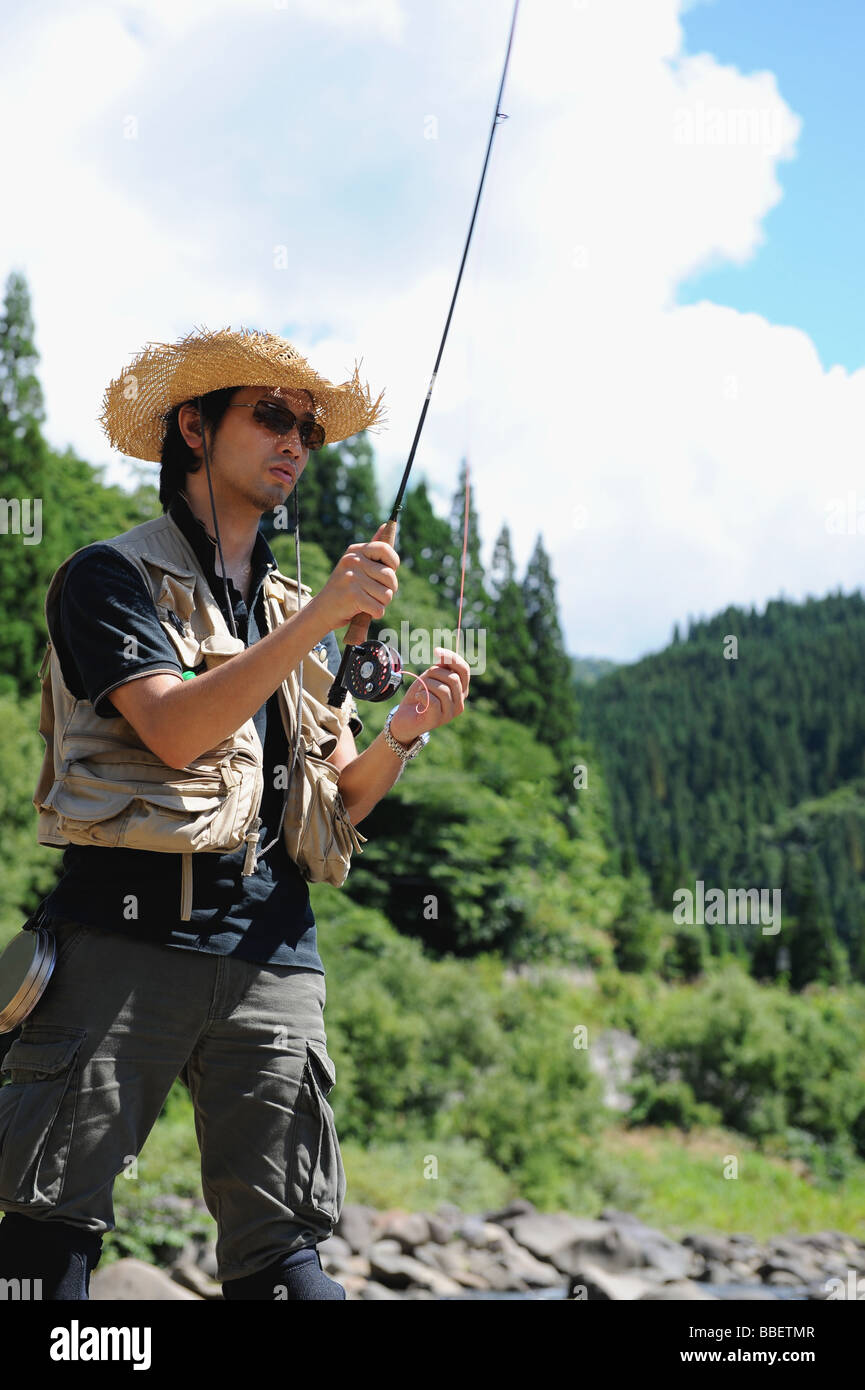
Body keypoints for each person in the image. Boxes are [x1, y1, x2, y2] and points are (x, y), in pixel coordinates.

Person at [0, 326, 470, 1300]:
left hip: (277, 959)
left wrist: (404, 732)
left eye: (307, 425)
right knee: (50, 1238)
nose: (296, 438)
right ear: (194, 427)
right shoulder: (108, 577)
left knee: (284, 1256)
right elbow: (173, 729)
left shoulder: (304, 606)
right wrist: (315, 622)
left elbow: (338, 795)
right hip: (120, 942)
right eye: (269, 415)